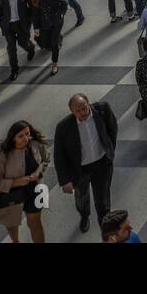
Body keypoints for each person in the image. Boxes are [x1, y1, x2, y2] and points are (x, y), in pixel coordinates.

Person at [53, 93, 118, 234]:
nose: (83, 112)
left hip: (102, 164)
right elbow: (59, 156)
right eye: (78, 110)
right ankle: (84, 215)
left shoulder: (102, 110)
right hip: (79, 169)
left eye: (84, 108)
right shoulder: (63, 127)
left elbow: (113, 128)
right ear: (72, 111)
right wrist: (65, 180)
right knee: (81, 197)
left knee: (103, 199)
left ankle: (105, 227)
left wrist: (110, 150)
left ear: (88, 103)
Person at [0, 121, 50, 243]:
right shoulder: (3, 157)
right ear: (13, 139)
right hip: (11, 196)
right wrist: (16, 182)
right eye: (21, 136)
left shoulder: (35, 145)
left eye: (27, 134)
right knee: (12, 224)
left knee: (35, 224)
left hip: (35, 191)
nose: (26, 138)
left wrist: (38, 172)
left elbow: (46, 158)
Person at [0, 0, 35, 81]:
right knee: (11, 48)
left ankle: (30, 48)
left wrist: (31, 21)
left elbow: (33, 8)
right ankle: (14, 70)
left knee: (23, 43)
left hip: (22, 24)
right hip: (8, 26)